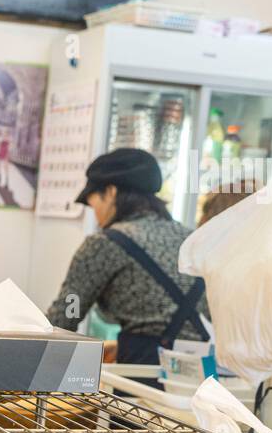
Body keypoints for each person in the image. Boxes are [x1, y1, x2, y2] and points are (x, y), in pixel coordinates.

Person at [46, 149, 210, 365]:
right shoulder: (192, 238)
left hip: (145, 371)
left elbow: (68, 312)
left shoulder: (104, 244)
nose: (94, 214)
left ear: (111, 192)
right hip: (204, 367)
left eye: (92, 202)